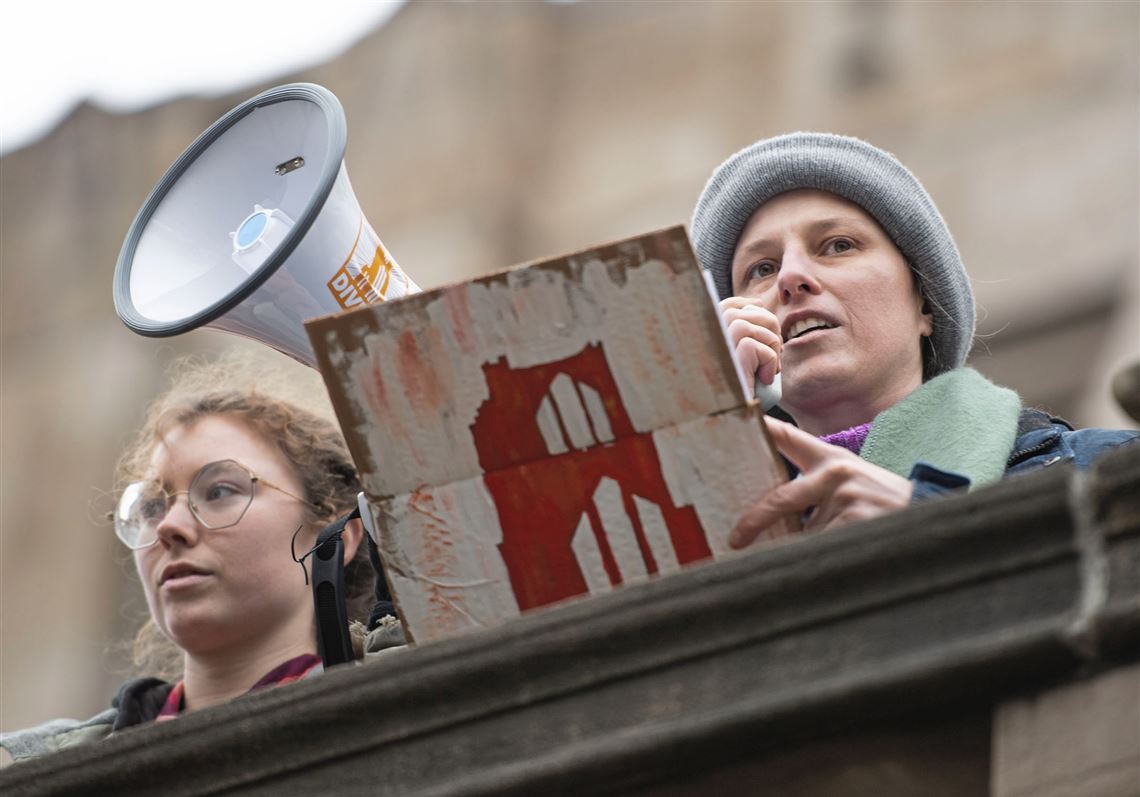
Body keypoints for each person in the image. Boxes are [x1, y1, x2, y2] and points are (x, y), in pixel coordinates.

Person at [690, 132, 1139, 548]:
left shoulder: (1109, 469)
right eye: (762, 269)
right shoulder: (707, 532)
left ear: (924, 302)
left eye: (838, 245)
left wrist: (925, 519)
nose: (790, 276)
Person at [0, 356, 402, 762]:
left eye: (219, 491)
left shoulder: (404, 714)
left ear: (337, 536)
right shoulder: (31, 765)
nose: (168, 526)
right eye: (152, 506)